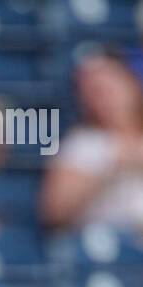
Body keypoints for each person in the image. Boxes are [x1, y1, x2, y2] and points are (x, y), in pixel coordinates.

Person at [41, 51, 143, 234]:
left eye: (111, 85)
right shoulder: (82, 143)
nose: (105, 97)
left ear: (131, 82)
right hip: (106, 247)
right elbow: (55, 212)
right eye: (94, 90)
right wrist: (113, 165)